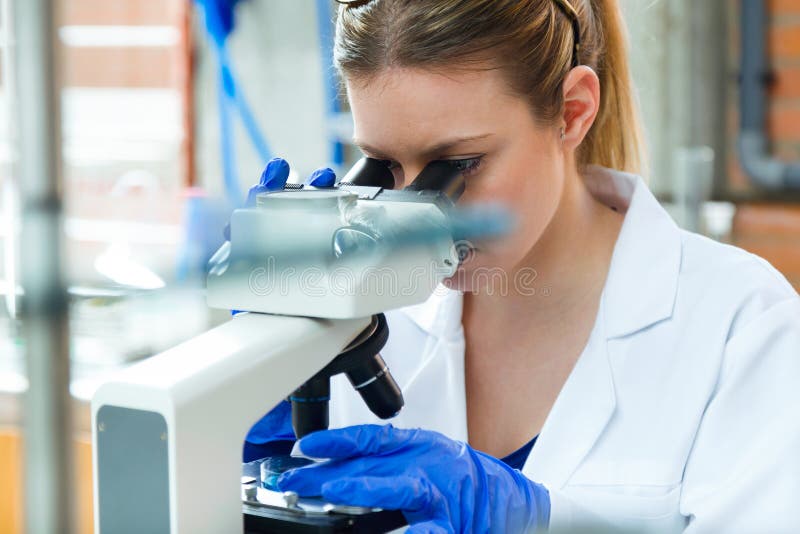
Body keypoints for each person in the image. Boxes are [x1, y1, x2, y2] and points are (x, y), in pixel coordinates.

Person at [243, 0, 800, 532]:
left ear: (573, 112)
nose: (417, 217)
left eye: (458, 165)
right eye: (384, 166)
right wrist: (243, 391)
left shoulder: (742, 330)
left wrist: (545, 523)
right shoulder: (357, 306)